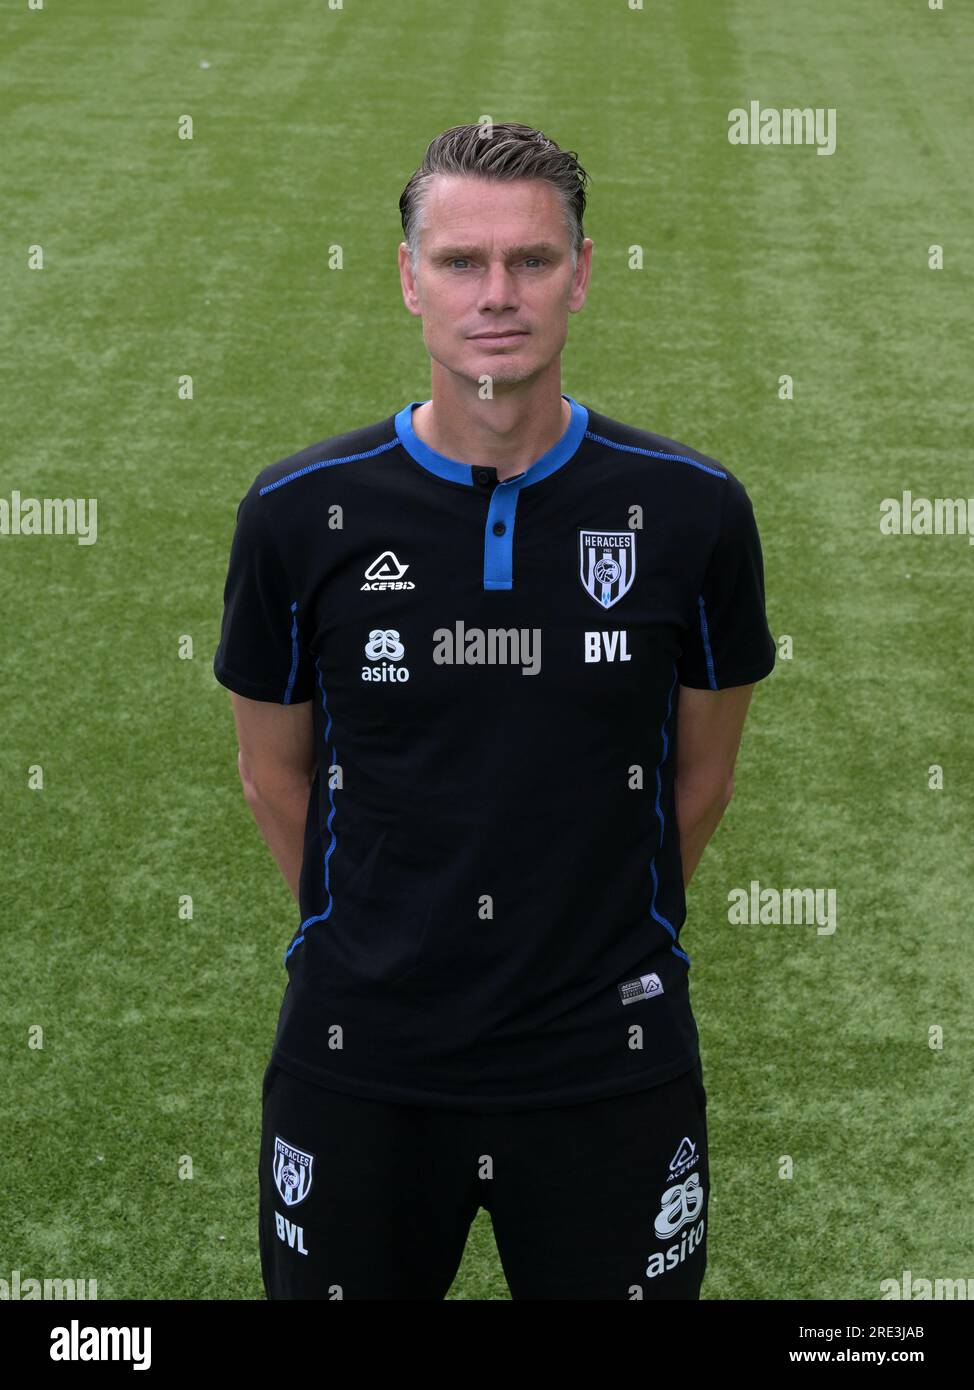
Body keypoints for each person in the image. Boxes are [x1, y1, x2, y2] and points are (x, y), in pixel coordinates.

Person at [213, 121, 776, 1300]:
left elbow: (700, 776)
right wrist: (380, 935)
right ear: (408, 278)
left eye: (529, 260)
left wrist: (581, 931)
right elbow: (275, 774)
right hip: (359, 1057)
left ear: (580, 274)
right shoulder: (295, 511)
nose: (496, 295)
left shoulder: (692, 509)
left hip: (606, 1063)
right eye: (461, 261)